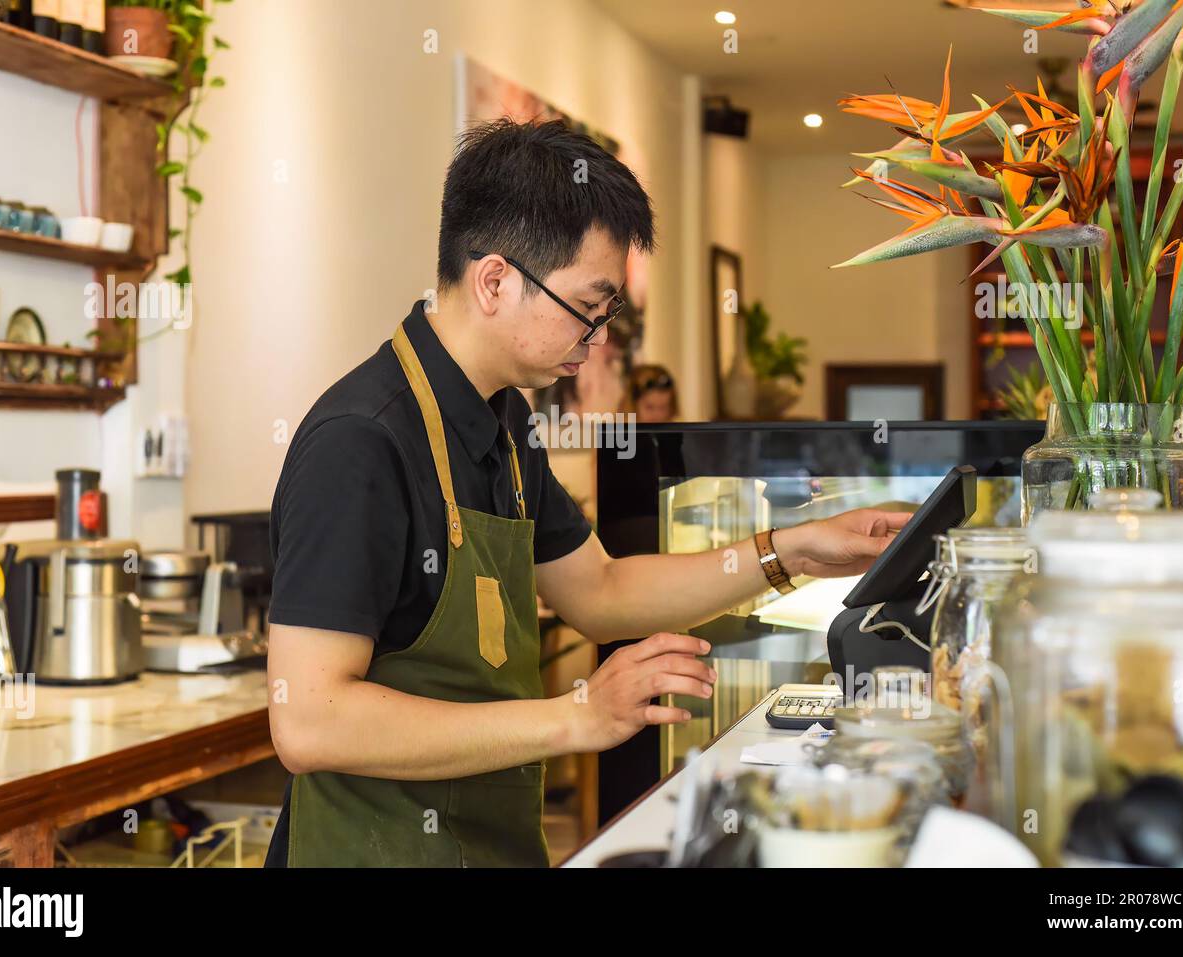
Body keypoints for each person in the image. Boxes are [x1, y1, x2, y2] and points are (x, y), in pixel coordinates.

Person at [263, 118, 909, 867]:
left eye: (607, 314)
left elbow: (599, 589)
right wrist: (575, 716)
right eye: (586, 307)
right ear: (495, 280)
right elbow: (309, 721)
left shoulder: (502, 416)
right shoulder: (362, 440)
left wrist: (790, 549)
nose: (597, 337)